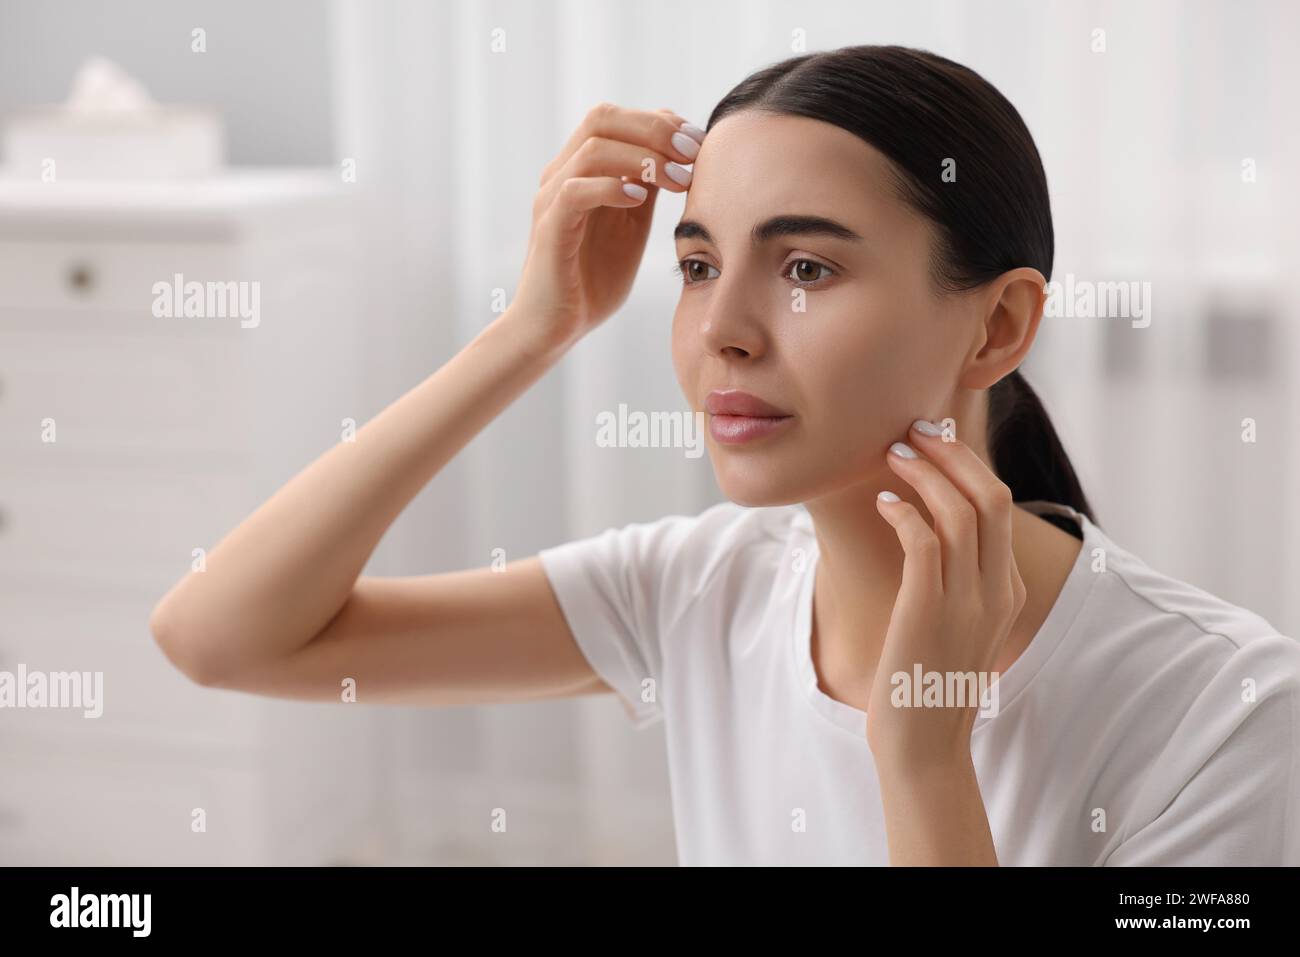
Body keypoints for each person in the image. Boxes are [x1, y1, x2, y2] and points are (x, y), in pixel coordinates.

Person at [151, 44, 1300, 866]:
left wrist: (921, 757)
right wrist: (527, 332)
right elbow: (223, 637)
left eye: (806, 268)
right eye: (698, 266)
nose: (722, 332)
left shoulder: (1226, 713)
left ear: (996, 326)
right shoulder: (696, 590)